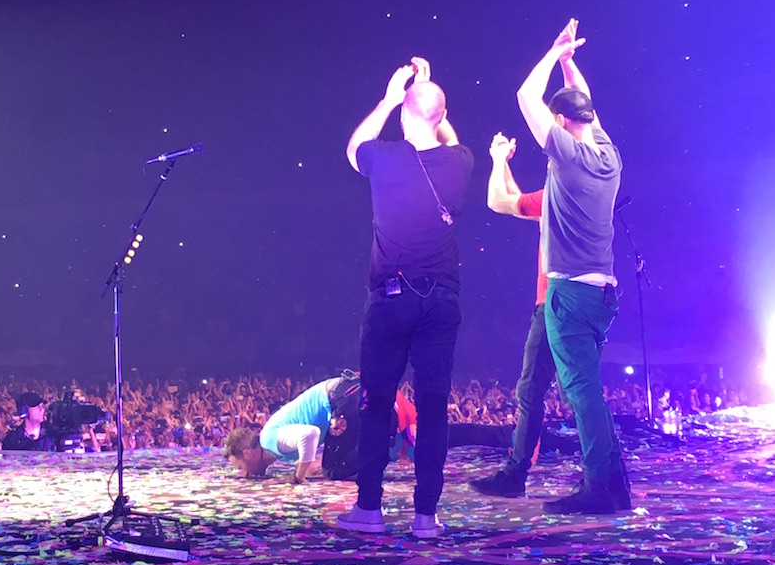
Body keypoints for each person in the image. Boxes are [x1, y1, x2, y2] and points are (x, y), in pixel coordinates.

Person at [339, 57, 474, 539]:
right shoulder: (460, 161)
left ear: (402, 114)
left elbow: (353, 148)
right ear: (442, 116)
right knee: (434, 407)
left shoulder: (384, 157)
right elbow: (447, 134)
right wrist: (429, 96)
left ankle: (370, 510)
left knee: (377, 404)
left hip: (391, 301)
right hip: (441, 302)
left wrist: (391, 95)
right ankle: (425, 518)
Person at [518, 19, 629, 514]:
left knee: (583, 394)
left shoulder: (565, 154)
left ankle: (599, 489)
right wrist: (568, 62)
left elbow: (525, 96)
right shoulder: (608, 154)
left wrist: (550, 51)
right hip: (604, 292)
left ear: (560, 123)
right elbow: (584, 102)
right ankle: (612, 482)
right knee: (592, 392)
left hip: (569, 294)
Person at [472, 130, 561, 496]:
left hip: (552, 302)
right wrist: (505, 164)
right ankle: (605, 473)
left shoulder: (555, 198)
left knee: (530, 389)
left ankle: (516, 473)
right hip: (586, 297)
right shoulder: (578, 196)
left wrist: (495, 160)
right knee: (582, 389)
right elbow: (515, 199)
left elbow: (497, 201)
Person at [225, 377, 416, 481]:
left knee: (334, 470)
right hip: (346, 395)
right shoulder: (273, 444)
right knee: (338, 460)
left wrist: (297, 477)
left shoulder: (270, 440)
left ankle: (391, 443)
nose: (246, 473)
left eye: (240, 466)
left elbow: (310, 434)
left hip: (342, 399)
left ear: (248, 453)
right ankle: (393, 437)